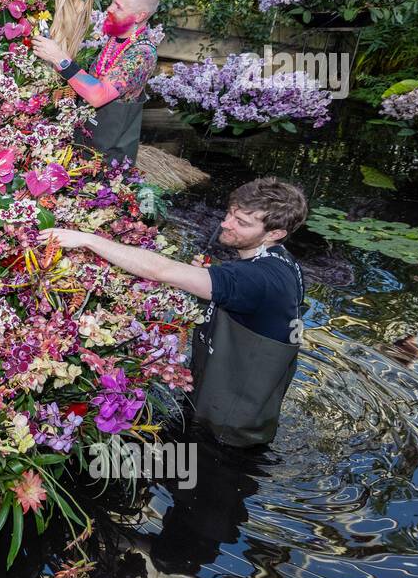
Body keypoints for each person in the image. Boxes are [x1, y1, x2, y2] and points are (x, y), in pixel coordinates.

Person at [41, 177, 308, 447]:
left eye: (242, 222)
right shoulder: (281, 263)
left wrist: (88, 240)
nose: (226, 223)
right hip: (236, 404)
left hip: (228, 430)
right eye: (230, 213)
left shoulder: (255, 279)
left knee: (202, 479)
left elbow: (161, 271)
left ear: (275, 233)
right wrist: (207, 277)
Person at [31, 0, 161, 165]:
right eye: (113, 1)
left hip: (106, 156)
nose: (109, 8)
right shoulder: (118, 39)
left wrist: (61, 60)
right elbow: (93, 79)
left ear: (139, 16)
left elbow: (99, 95)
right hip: (86, 138)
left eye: (118, 7)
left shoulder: (142, 54)